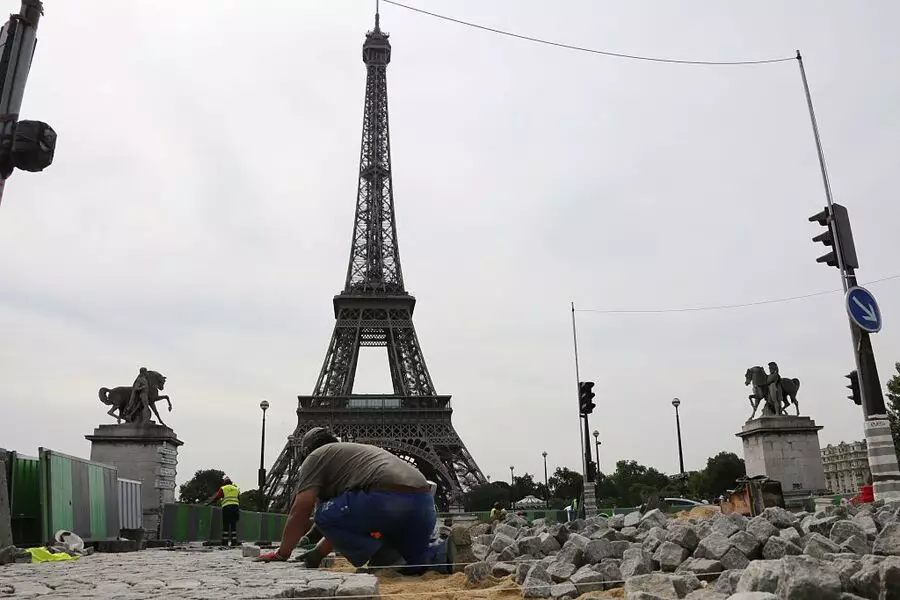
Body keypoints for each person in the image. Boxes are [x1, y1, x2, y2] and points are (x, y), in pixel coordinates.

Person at [257, 428, 449, 573]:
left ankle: (382, 553)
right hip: (423, 503)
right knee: (416, 562)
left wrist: (283, 553)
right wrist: (319, 553)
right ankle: (446, 551)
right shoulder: (355, 454)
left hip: (385, 500)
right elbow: (344, 520)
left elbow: (302, 509)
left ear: (306, 451)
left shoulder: (315, 457)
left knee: (322, 514)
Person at [207, 477, 241, 546]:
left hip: (227, 507)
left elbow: (217, 497)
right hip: (235, 508)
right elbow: (238, 498)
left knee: (226, 524)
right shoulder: (236, 489)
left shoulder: (223, 488)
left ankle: (225, 542)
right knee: (233, 525)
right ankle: (234, 542)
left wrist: (208, 503)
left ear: (225, 483)